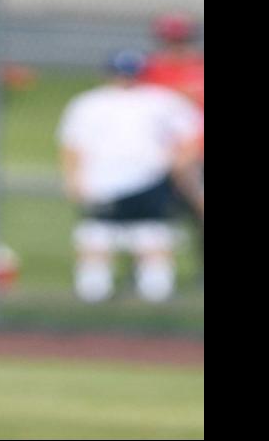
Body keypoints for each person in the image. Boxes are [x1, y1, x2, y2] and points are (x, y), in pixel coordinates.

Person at [58, 49, 203, 304]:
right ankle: (93, 296)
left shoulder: (160, 100)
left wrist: (176, 163)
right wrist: (73, 178)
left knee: (151, 237)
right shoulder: (89, 103)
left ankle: (156, 298)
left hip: (149, 181)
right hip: (102, 182)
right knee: (97, 237)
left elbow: (192, 131)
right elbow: (72, 145)